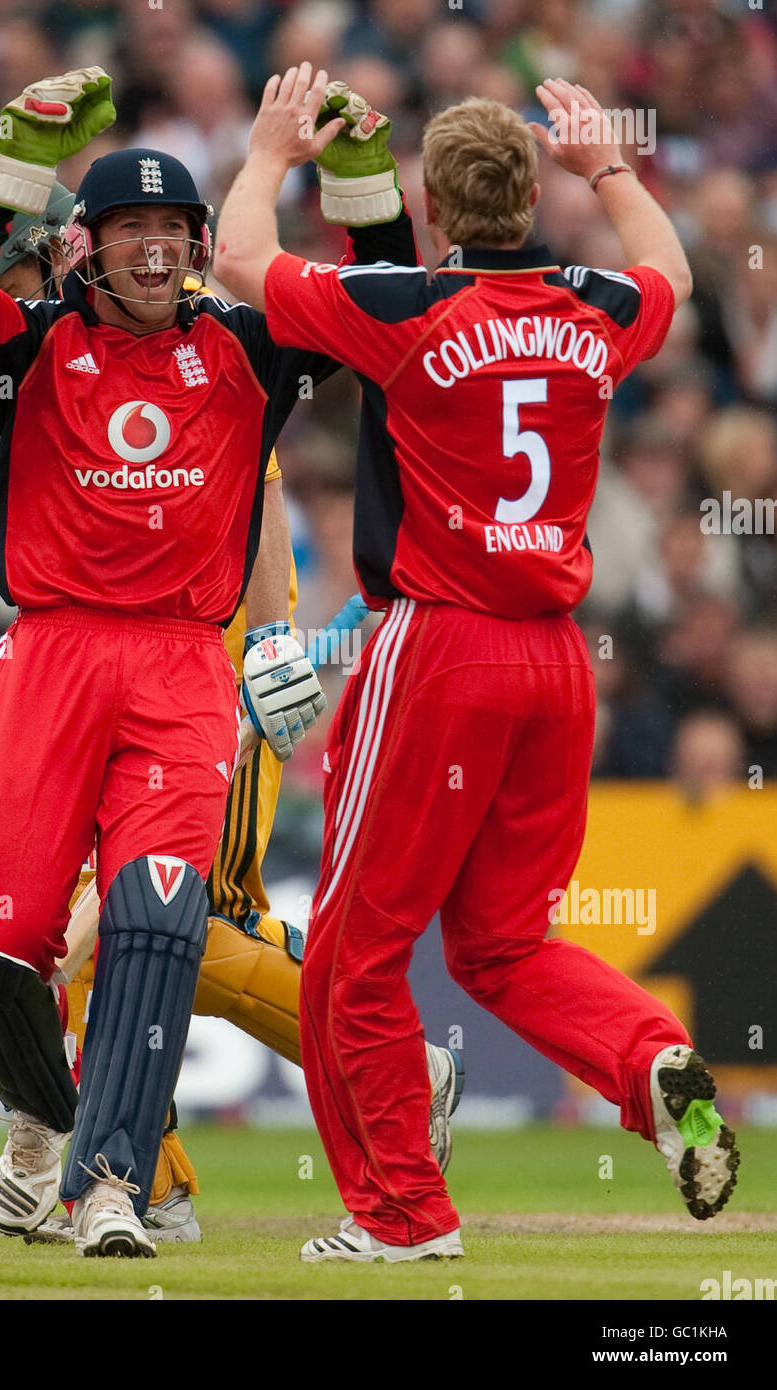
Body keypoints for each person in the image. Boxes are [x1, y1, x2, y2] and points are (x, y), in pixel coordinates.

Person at [214, 67, 740, 1262]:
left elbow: (241, 265)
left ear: (435, 212)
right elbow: (677, 272)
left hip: (438, 647)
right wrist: (605, 164)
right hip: (557, 663)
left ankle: (400, 1214)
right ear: (530, 200)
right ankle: (647, 1054)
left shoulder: (407, 304)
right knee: (502, 942)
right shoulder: (596, 302)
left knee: (352, 947)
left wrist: (266, 155)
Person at [0, 66, 430, 1258]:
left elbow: (384, 298)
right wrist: (18, 164)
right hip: (50, 658)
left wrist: (356, 177)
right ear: (85, 245)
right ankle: (42, 1130)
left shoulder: (250, 351)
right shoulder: (30, 354)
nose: (154, 251)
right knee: (2, 943)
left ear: (201, 244)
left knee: (157, 916)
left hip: (178, 670)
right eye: (128, 230)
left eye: (173, 230)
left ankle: (110, 1184)